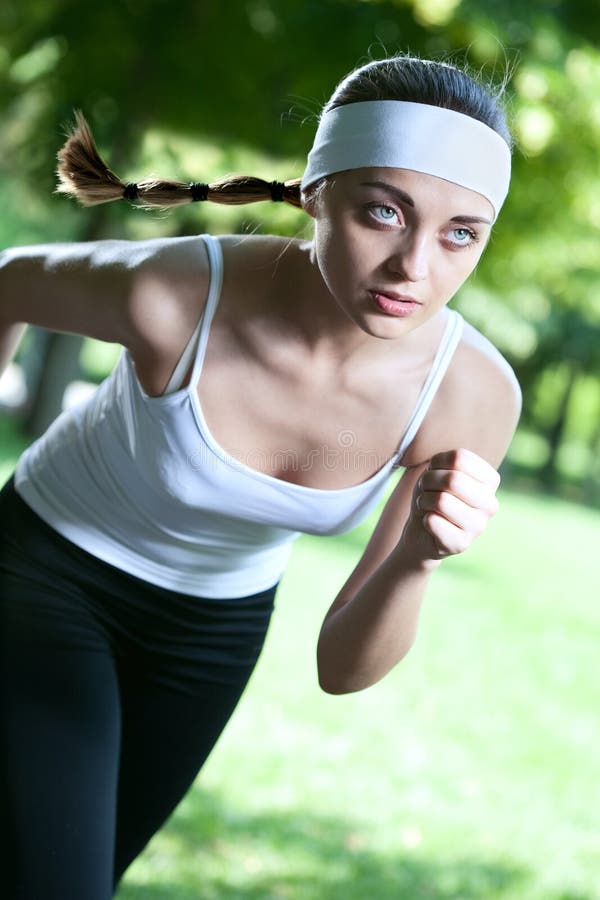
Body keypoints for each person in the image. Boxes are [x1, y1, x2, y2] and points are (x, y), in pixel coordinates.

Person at [0, 54, 521, 899]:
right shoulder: (173, 297)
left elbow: (342, 669)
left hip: (214, 630)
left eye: (461, 233)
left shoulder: (470, 393)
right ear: (316, 194)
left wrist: (417, 558)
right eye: (384, 212)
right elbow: (10, 283)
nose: (414, 267)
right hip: (49, 569)